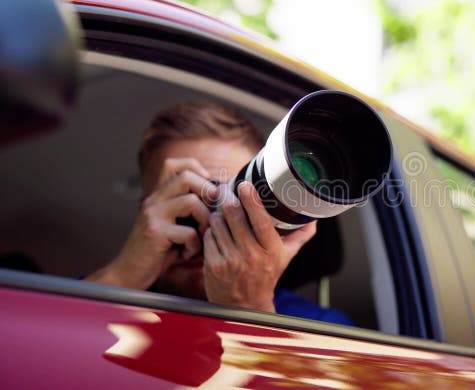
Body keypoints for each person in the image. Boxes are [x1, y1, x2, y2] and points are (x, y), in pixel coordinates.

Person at [85, 101, 351, 325]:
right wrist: (121, 277)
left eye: (235, 200)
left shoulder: (321, 328)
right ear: (147, 213)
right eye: (186, 197)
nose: (209, 220)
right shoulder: (106, 294)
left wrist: (252, 308)